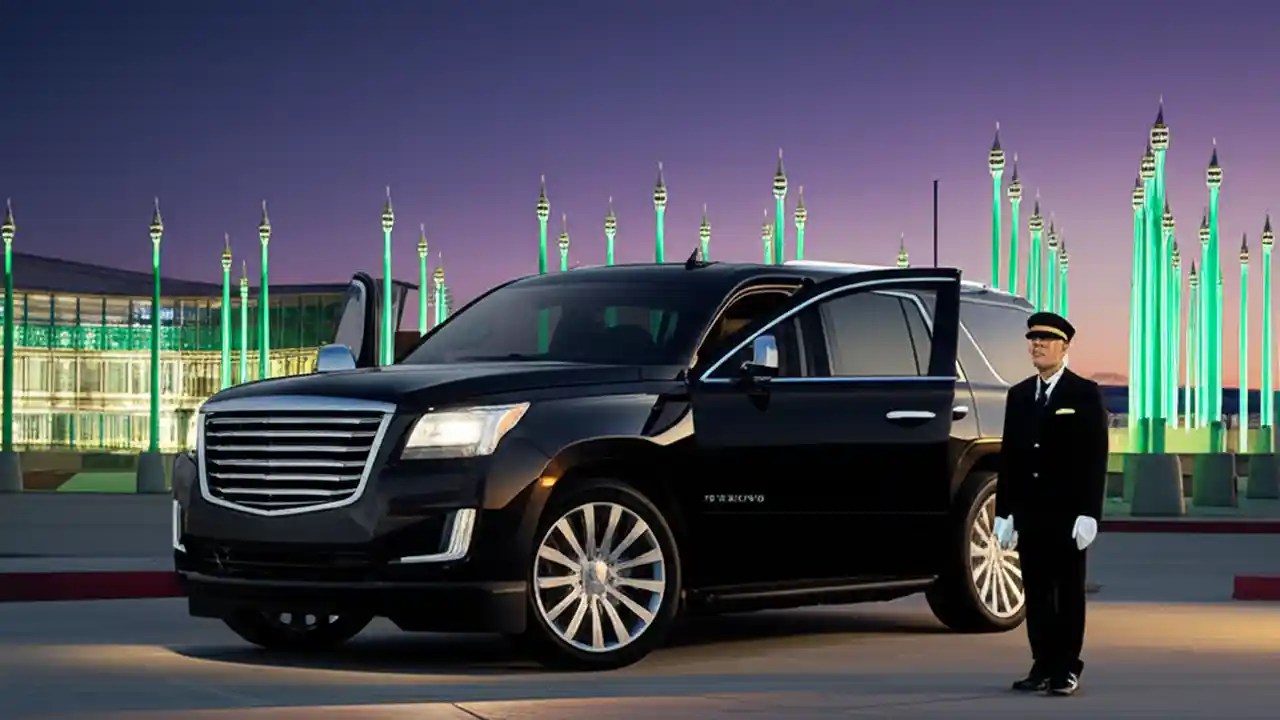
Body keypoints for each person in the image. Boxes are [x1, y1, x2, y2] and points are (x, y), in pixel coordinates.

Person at [993, 310, 1109, 696]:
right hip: (1030, 511)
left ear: (1065, 346)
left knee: (1068, 592)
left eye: (1046, 339)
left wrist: (1089, 513)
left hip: (1067, 513)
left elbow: (1095, 456)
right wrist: (1004, 513)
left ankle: (1067, 667)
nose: (1037, 345)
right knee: (1037, 591)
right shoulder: (1019, 395)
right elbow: (1010, 457)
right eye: (1033, 339)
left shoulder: (1083, 393)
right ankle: (1042, 663)